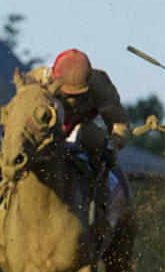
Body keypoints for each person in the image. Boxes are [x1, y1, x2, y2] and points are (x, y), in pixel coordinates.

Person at [46, 49, 130, 180]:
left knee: (95, 139)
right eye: (67, 94)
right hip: (48, 129)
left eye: (78, 94)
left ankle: (100, 191)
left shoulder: (101, 85)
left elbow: (119, 123)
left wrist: (111, 147)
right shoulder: (38, 82)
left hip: (82, 130)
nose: (72, 100)